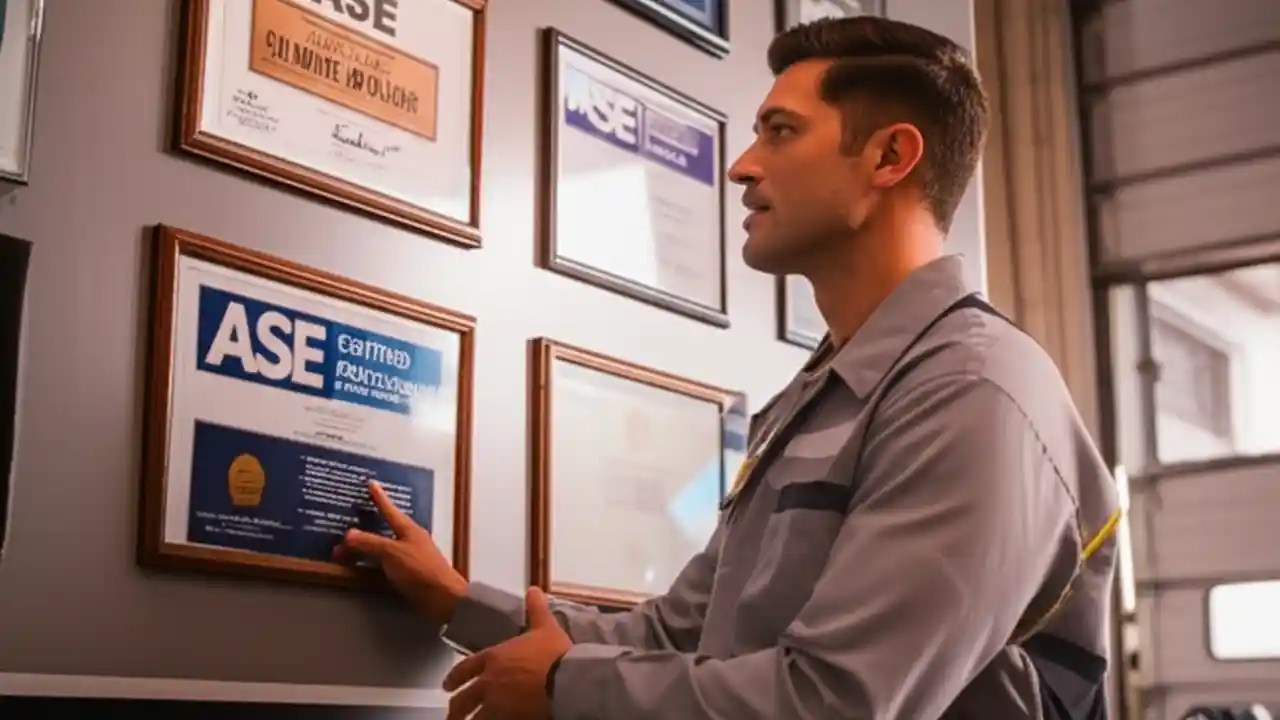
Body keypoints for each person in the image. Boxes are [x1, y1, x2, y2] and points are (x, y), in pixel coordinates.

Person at [337, 15, 1122, 720]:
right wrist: (459, 600)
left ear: (889, 156)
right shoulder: (820, 396)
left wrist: (562, 685)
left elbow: (835, 703)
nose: (740, 166)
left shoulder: (972, 393)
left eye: (780, 131)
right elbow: (680, 634)